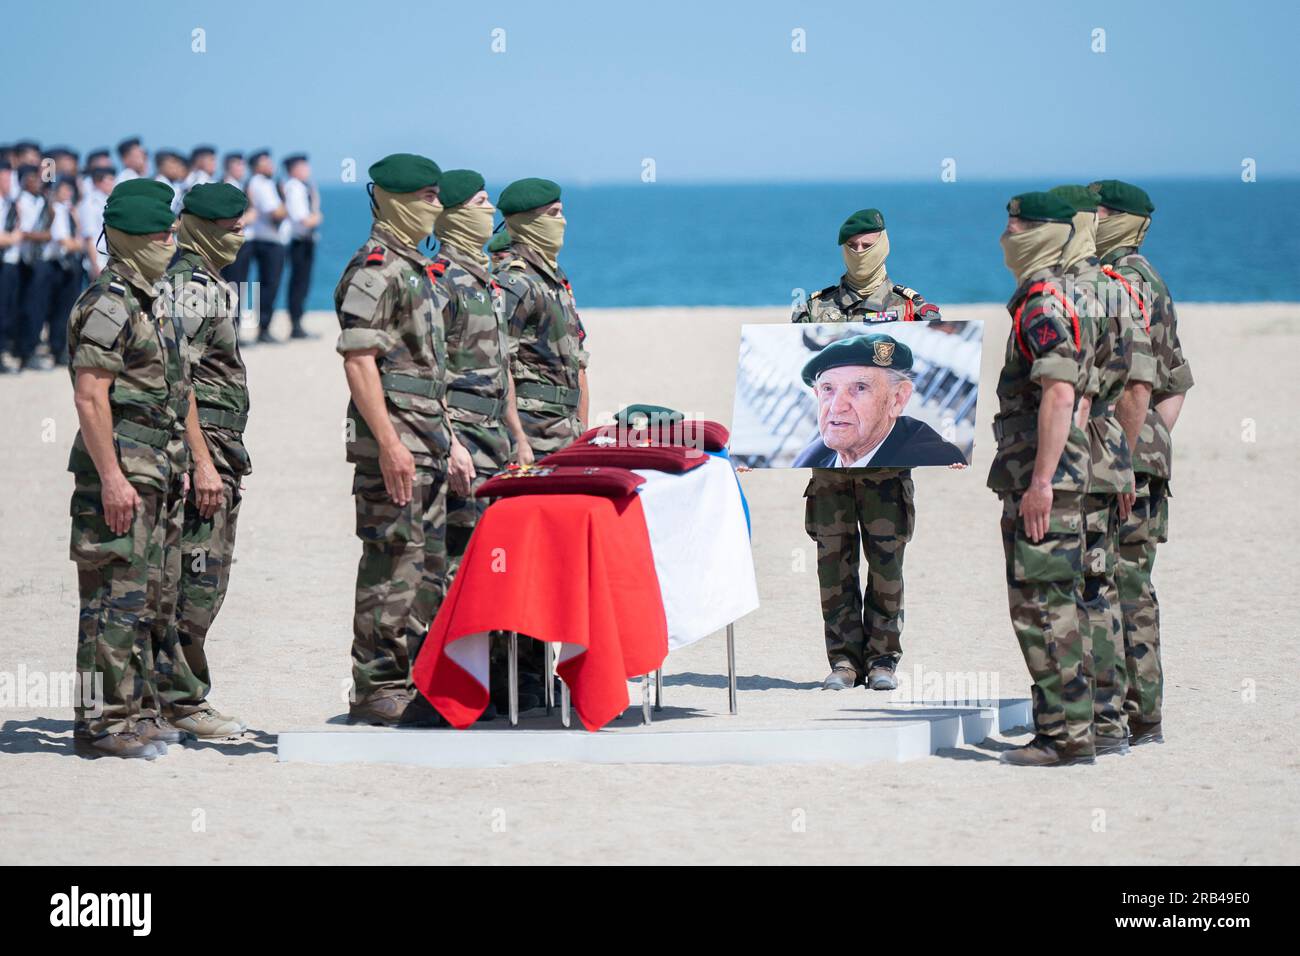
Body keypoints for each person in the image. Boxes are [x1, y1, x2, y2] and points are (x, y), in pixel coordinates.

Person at [333, 153, 473, 726]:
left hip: (430, 440)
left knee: (427, 569)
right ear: (393, 201)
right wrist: (389, 444)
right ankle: (376, 687)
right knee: (392, 564)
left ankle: (413, 680)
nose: (436, 208)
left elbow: (433, 372)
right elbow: (359, 361)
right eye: (427, 199)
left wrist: (451, 440)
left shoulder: (418, 270)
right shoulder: (375, 270)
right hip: (394, 444)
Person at [791, 209, 943, 691]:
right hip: (831, 476)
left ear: (885, 244)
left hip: (886, 473)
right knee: (832, 565)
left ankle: (882, 661)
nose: (860, 253)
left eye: (868, 244)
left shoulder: (912, 308)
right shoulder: (815, 309)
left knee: (886, 565)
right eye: (852, 246)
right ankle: (843, 662)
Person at [66, 188, 192, 759]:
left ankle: (136, 711)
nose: (170, 243)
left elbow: (169, 391)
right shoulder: (109, 304)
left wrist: (181, 460)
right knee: (110, 603)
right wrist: (112, 478)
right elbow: (90, 396)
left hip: (155, 470)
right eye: (161, 235)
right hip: (119, 473)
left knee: (145, 599)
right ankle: (100, 725)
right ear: (132, 239)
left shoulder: (149, 300)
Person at [989, 191, 1096, 767]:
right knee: (1060, 602)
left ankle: (1063, 736)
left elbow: (1060, 393)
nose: (1005, 238)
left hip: (1043, 480)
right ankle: (1075, 726)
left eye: (1015, 229)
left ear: (1040, 235)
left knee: (1041, 608)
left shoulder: (1040, 304)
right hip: (1061, 473)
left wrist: (1042, 482)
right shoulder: (1069, 295)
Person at [1048, 184, 1154, 757]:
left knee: (1091, 591)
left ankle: (1105, 720)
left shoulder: (1103, 291)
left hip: (1089, 467)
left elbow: (1140, 387)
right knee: (1099, 590)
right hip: (1100, 464)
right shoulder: (1104, 288)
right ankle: (1109, 720)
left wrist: (1125, 461)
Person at [1091, 179, 1194, 747]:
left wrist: (1125, 455)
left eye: (1102, 213)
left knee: (1111, 584)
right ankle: (1142, 714)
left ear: (1128, 221)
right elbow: (1176, 384)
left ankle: (1120, 716)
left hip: (1118, 456)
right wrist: (1152, 442)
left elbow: (1141, 383)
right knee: (1132, 582)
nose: (1093, 220)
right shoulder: (1152, 279)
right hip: (1139, 454)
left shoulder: (1119, 282)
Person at [431, 170, 532, 712]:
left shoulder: (487, 280)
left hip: (496, 437)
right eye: (479, 202)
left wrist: (518, 435)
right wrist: (448, 441)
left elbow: (502, 368)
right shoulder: (439, 281)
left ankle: (492, 682)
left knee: (497, 564)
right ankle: (457, 689)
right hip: (463, 437)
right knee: (459, 566)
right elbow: (429, 370)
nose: (489, 210)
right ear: (450, 214)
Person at [158, 182, 254, 738]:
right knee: (196, 581)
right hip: (205, 450)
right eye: (231, 229)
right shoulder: (191, 287)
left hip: (220, 447)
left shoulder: (204, 279)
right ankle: (181, 701)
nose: (240, 238)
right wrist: (202, 462)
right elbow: (180, 379)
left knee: (201, 577)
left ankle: (166, 696)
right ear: (200, 227)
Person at [494, 178, 589, 459]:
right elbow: (499, 365)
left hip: (566, 429)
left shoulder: (555, 281)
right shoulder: (514, 282)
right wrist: (518, 439)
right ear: (528, 221)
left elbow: (578, 364)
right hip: (533, 433)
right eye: (553, 214)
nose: (563, 222)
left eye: (561, 212)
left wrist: (582, 430)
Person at [794, 333, 965, 468]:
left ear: (897, 399)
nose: (837, 407)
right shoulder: (812, 457)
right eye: (827, 389)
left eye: (860, 388)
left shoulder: (935, 461)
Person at [28, 176, 84, 368]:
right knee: (40, 308)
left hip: (65, 265)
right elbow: (63, 240)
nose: (67, 193)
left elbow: (79, 235)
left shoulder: (70, 210)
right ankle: (32, 349)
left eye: (70, 190)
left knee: (64, 310)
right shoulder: (54, 209)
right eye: (64, 189)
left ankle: (59, 349)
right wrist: (79, 245)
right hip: (48, 264)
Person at [8, 164, 49, 370]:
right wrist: (40, 235)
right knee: (20, 308)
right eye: (31, 178)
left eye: (38, 178)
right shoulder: (19, 201)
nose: (36, 182)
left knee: (36, 308)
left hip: (38, 260)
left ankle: (30, 350)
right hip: (21, 260)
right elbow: (22, 232)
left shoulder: (42, 201)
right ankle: (20, 350)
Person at [245, 150, 287, 342]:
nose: (271, 165)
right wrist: (285, 201)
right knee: (269, 285)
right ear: (256, 166)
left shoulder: (261, 183)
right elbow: (275, 213)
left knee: (263, 285)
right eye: (266, 162)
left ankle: (262, 327)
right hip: (268, 241)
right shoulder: (261, 183)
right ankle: (263, 328)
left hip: (266, 239)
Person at [281, 153, 321, 339]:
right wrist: (316, 217)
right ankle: (295, 324)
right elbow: (302, 219)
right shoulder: (294, 187)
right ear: (294, 169)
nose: (307, 170)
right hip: (298, 240)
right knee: (298, 283)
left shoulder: (303, 186)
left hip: (305, 240)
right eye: (303, 166)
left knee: (302, 282)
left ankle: (297, 322)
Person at [78, 166, 115, 280]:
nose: (113, 183)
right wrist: (95, 265)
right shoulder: (89, 203)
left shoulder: (109, 201)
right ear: (98, 182)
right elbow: (89, 237)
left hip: (111, 256)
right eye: (109, 180)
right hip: (98, 257)